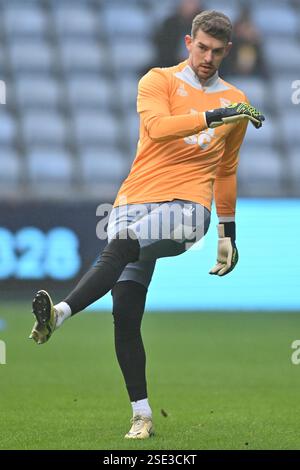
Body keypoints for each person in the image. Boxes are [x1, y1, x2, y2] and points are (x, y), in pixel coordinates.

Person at [29, 10, 265, 440]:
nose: (207, 57)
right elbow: (157, 129)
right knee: (125, 314)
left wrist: (228, 234)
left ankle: (60, 314)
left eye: (216, 51)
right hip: (134, 198)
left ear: (227, 50)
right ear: (188, 42)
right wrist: (215, 116)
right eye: (201, 47)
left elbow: (226, 170)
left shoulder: (236, 99)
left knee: (118, 248)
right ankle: (142, 414)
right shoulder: (157, 81)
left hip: (188, 207)